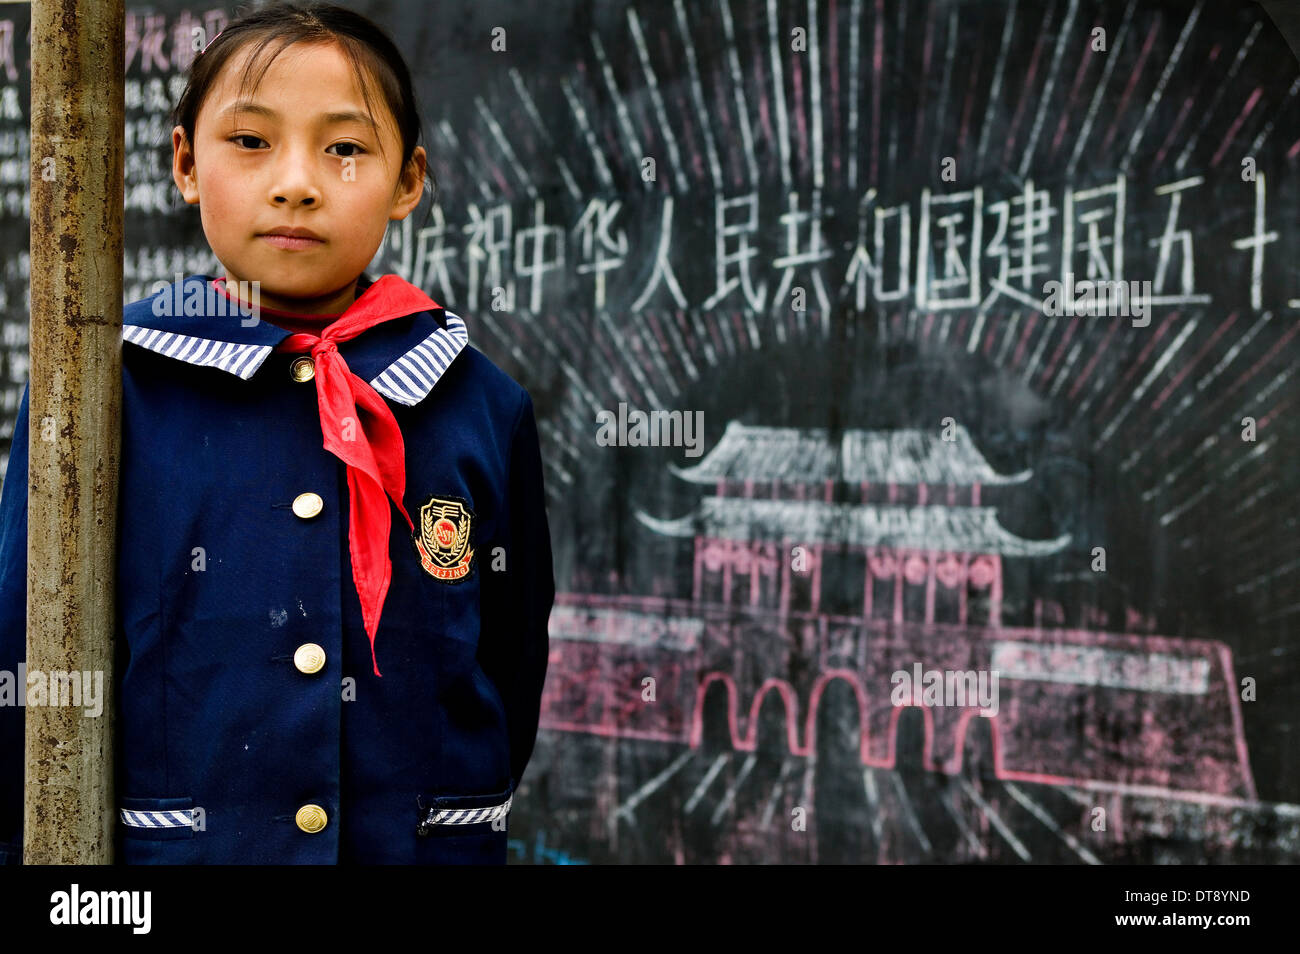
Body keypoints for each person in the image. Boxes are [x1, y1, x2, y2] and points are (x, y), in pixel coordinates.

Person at [0, 1, 554, 864]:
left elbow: (513, 666)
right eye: (251, 142)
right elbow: (25, 659)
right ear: (184, 162)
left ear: (408, 181)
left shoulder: (479, 404)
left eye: (345, 148)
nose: (296, 181)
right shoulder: (106, 394)